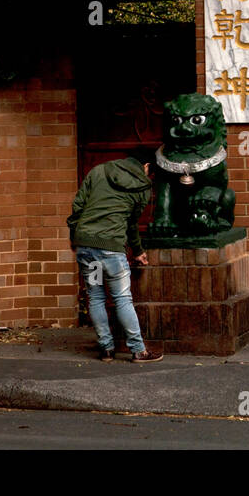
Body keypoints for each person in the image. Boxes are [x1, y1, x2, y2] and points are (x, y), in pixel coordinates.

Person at [67, 150, 163, 363]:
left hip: (87, 249)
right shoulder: (142, 187)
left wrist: (76, 237)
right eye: (151, 172)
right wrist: (138, 252)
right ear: (146, 166)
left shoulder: (99, 170)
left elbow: (78, 207)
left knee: (96, 296)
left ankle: (107, 349)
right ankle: (138, 350)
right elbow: (131, 225)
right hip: (111, 250)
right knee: (121, 298)